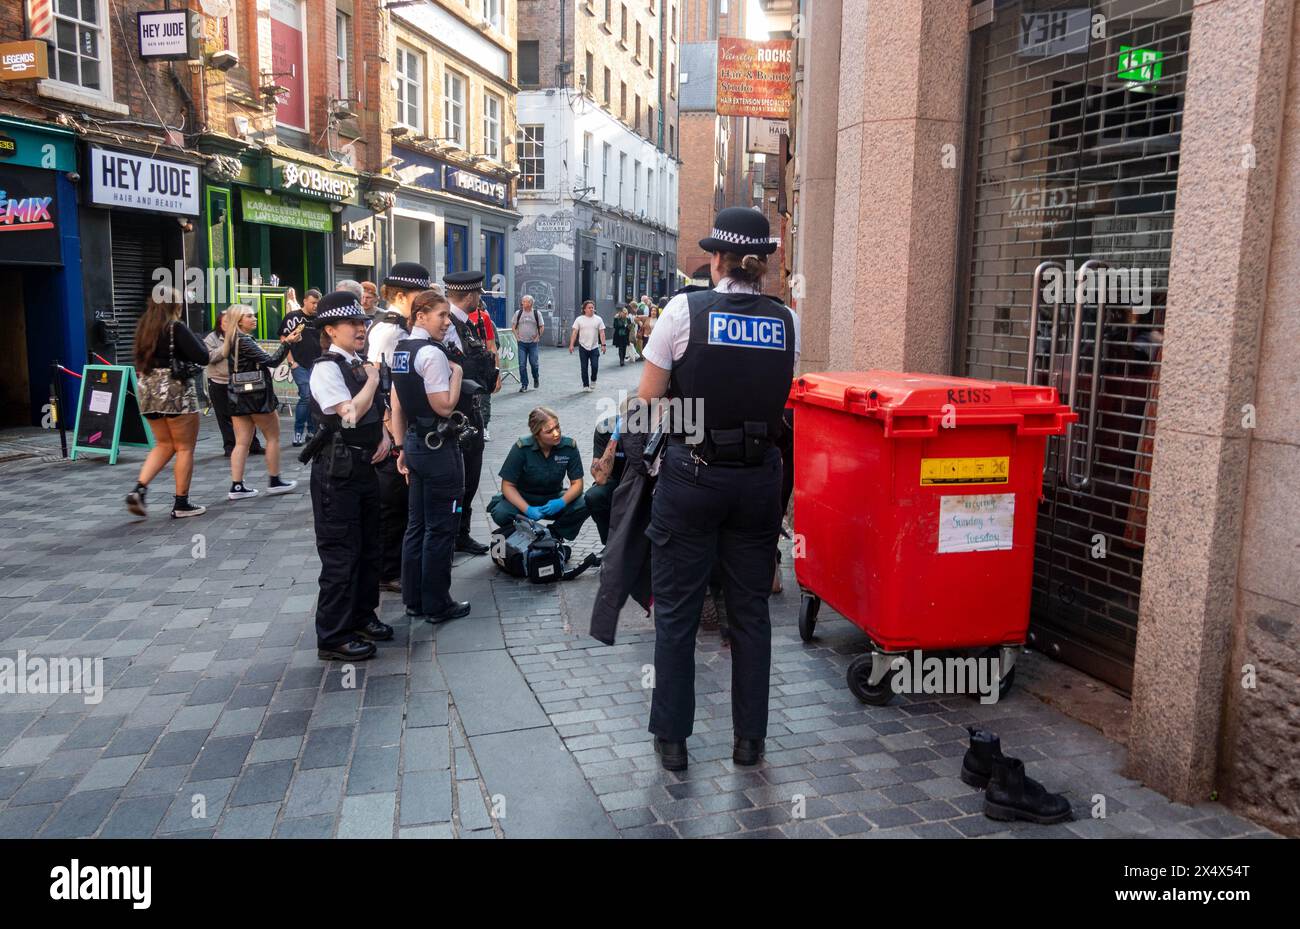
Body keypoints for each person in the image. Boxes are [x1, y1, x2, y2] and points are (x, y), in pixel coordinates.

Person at [635, 206, 799, 772]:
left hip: (694, 475)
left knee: (678, 611)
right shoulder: (786, 319)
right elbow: (779, 395)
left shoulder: (684, 309)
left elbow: (647, 400)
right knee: (750, 613)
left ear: (714, 259)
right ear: (762, 264)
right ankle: (749, 742)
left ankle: (674, 742)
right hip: (758, 480)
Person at [304, 291, 395, 661]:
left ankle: (362, 615)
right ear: (330, 329)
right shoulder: (327, 368)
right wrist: (372, 381)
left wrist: (385, 435)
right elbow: (347, 416)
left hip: (363, 467)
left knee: (368, 546)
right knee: (341, 553)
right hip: (336, 472)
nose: (361, 328)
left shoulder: (357, 362)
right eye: (352, 324)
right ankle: (333, 635)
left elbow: (375, 410)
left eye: (362, 322)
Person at [390, 290, 472, 624]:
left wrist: (400, 448)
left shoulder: (401, 350)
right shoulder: (431, 354)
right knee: (440, 528)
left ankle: (414, 599)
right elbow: (444, 405)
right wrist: (457, 376)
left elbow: (396, 405)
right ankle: (437, 604)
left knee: (417, 526)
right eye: (441, 315)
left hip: (414, 443)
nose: (446, 322)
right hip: (438, 449)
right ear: (421, 315)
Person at [367, 262, 432, 592]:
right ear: (404, 295)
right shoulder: (390, 331)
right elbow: (383, 385)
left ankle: (394, 566)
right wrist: (392, 434)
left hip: (396, 426)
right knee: (392, 502)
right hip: (391, 429)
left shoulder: (395, 327)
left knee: (399, 501)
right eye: (421, 295)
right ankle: (388, 570)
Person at [126, 291, 217, 519]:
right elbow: (203, 356)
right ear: (175, 304)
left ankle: (139, 489)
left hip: (147, 389)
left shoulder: (144, 328)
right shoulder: (176, 327)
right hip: (174, 389)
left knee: (163, 444)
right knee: (185, 447)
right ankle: (181, 503)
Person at [442, 270, 501, 555]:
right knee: (460, 480)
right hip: (458, 413)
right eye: (477, 294)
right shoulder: (450, 325)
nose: (479, 298)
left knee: (471, 478)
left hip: (471, 409)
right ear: (469, 295)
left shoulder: (465, 323)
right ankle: (452, 536)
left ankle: (460, 533)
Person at [224, 305, 303, 500]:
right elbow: (272, 361)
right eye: (249, 316)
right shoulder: (244, 340)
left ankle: (237, 486)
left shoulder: (233, 339)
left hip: (238, 396)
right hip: (256, 397)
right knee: (273, 437)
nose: (254, 318)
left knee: (242, 442)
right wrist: (288, 343)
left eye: (254, 315)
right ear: (239, 320)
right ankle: (274, 481)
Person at [488, 407, 589, 540]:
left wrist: (561, 502)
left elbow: (577, 484)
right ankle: (518, 534)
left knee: (586, 501)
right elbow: (507, 486)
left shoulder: (568, 447)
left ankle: (554, 535)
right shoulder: (521, 448)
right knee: (501, 512)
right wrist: (527, 509)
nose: (556, 433)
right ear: (537, 434)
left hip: (553, 498)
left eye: (557, 427)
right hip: (524, 497)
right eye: (549, 431)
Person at [204, 310, 265, 458]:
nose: (229, 325)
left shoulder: (241, 337)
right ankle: (230, 446)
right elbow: (209, 357)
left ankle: (253, 444)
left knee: (247, 414)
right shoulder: (211, 338)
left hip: (240, 382)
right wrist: (226, 344)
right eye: (226, 322)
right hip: (219, 382)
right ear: (220, 323)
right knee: (225, 417)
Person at [281, 287, 322, 446]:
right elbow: (283, 337)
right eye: (313, 303)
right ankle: (298, 431)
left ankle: (311, 430)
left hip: (317, 364)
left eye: (318, 303)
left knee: (313, 397)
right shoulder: (293, 317)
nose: (315, 306)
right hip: (300, 364)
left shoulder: (320, 317)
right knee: (305, 395)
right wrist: (291, 362)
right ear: (305, 301)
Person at [584, 411, 626, 546]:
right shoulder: (606, 429)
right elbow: (600, 478)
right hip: (614, 479)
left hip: (643, 481)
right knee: (593, 496)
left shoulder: (650, 427)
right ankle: (610, 544)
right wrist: (614, 439)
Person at [465, 297, 499, 439]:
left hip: (482, 364)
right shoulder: (451, 316)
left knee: (484, 396)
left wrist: (497, 372)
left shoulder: (484, 318)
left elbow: (492, 346)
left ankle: (484, 426)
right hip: (466, 366)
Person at [568, 300, 606, 392]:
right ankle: (585, 385)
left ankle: (593, 380)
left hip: (594, 347)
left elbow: (602, 333)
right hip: (583, 346)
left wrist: (603, 345)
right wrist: (571, 344)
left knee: (595, 366)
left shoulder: (598, 319)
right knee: (584, 367)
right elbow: (574, 332)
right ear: (584, 309)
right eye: (589, 308)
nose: (591, 309)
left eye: (592, 307)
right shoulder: (579, 319)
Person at [512, 295, 544, 391]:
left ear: (531, 303)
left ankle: (536, 377)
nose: (523, 303)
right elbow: (513, 326)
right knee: (522, 365)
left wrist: (538, 337)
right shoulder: (518, 313)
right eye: (523, 301)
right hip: (521, 343)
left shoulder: (536, 313)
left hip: (532, 344)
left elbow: (542, 327)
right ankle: (524, 385)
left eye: (526, 302)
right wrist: (517, 337)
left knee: (534, 364)